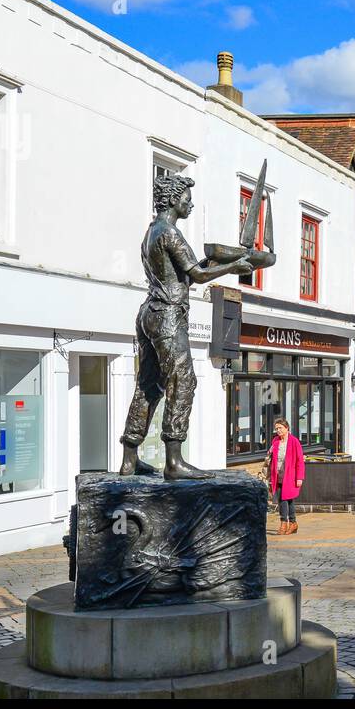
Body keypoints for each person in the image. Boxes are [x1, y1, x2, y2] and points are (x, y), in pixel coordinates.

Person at [119, 170, 274, 479]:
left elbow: (186, 274)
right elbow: (199, 277)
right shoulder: (170, 233)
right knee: (184, 380)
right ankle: (174, 461)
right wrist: (234, 266)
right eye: (187, 200)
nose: (190, 205)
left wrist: (214, 263)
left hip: (149, 313)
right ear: (175, 199)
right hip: (167, 315)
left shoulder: (151, 232)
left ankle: (129, 458)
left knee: (149, 386)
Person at [268, 418, 305, 534]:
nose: (278, 430)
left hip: (290, 476)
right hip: (277, 475)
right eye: (276, 428)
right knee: (288, 500)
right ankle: (293, 523)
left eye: (280, 428)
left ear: (287, 428)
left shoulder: (294, 441)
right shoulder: (275, 441)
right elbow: (270, 458)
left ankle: (284, 523)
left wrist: (300, 477)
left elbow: (300, 460)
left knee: (283, 499)